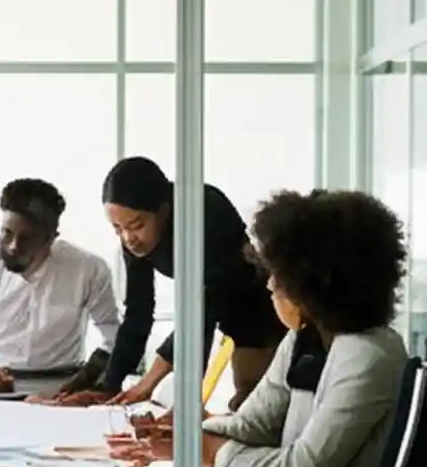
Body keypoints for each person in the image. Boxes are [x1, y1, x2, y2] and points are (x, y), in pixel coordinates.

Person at [199, 189, 409, 467]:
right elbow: (253, 423)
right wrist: (186, 434)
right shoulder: (305, 341)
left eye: (278, 275)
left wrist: (215, 452)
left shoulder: (368, 355)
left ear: (314, 281)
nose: (269, 286)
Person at [58, 156, 285, 408]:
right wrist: (108, 387)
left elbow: (204, 310)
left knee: (254, 404)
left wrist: (152, 383)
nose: (128, 238)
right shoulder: (136, 240)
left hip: (265, 313)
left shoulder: (205, 211)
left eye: (136, 225)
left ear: (164, 212)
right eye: (118, 229)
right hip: (218, 312)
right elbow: (138, 312)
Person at [0, 179, 119, 394]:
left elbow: (113, 335)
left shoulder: (89, 269)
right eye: (7, 233)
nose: (13, 246)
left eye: (26, 238)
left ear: (50, 239)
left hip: (67, 386)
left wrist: (87, 377)